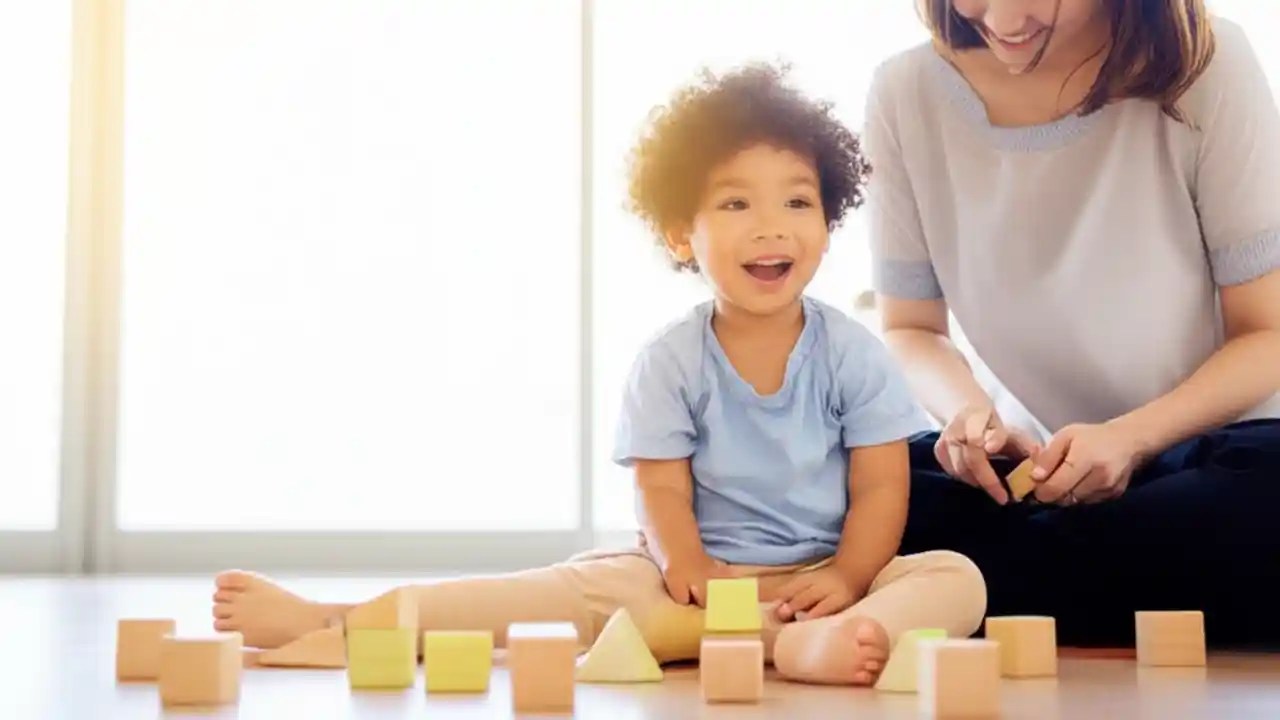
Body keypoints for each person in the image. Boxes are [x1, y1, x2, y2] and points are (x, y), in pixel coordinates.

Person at [209, 64, 987, 686]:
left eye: (797, 201)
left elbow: (885, 485)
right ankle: (332, 619)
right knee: (537, 595)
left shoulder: (850, 351)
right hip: (687, 583)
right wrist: (688, 567)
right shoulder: (671, 359)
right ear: (683, 233)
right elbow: (661, 489)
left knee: (957, 578)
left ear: (827, 221)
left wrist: (851, 577)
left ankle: (806, 639)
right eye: (737, 204)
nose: (772, 225)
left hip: (816, 579)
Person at [864, 0, 1280, 647]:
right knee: (854, 476)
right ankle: (992, 583)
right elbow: (912, 328)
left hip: (1220, 453)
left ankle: (948, 586)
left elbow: (1267, 333)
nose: (1001, 18)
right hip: (1046, 469)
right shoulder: (903, 92)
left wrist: (1129, 439)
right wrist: (973, 419)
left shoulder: (1208, 65)